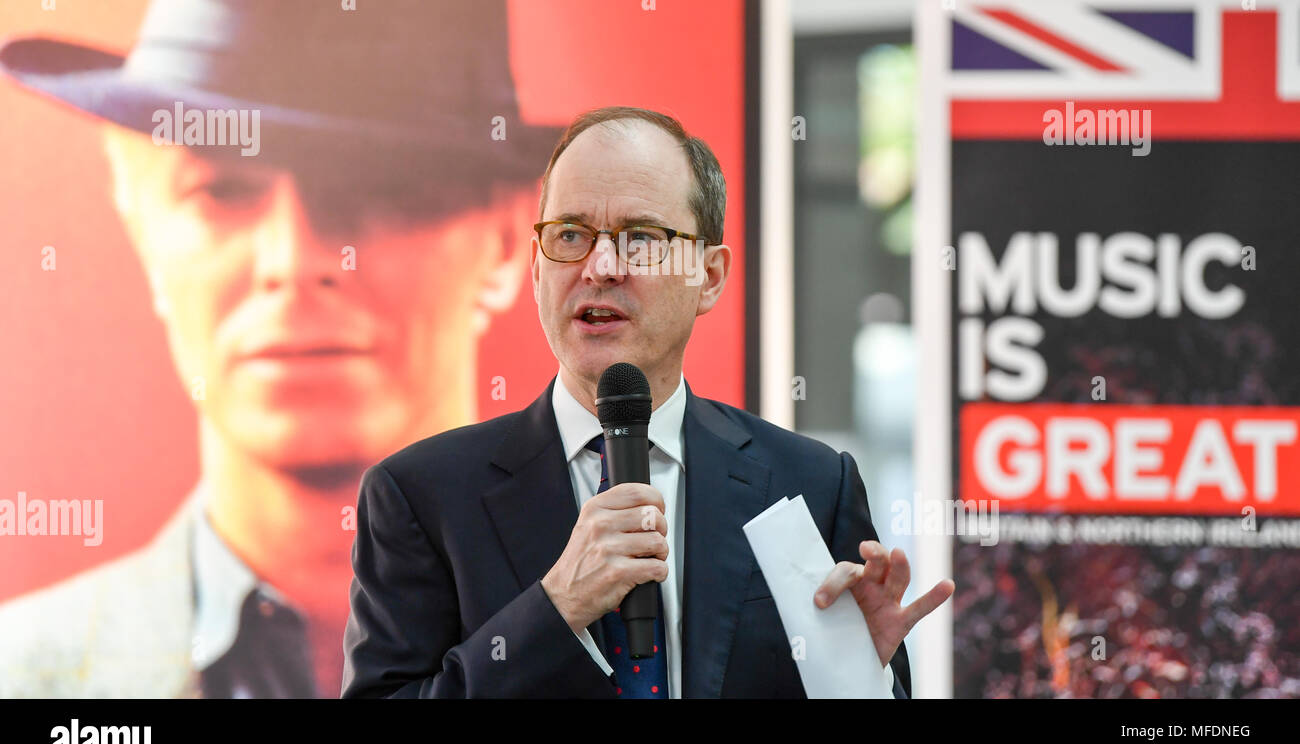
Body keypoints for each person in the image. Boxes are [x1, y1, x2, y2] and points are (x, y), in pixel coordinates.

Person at [0, 0, 556, 698]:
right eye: (221, 190)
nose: (294, 259)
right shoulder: (24, 675)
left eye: (376, 188)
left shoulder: (654, 646)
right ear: (143, 227)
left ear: (506, 233)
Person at [341, 106, 955, 698]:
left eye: (640, 238)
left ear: (709, 276)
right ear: (535, 269)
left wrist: (854, 684)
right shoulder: (421, 497)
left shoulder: (811, 485)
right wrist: (555, 610)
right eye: (571, 234)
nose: (600, 266)